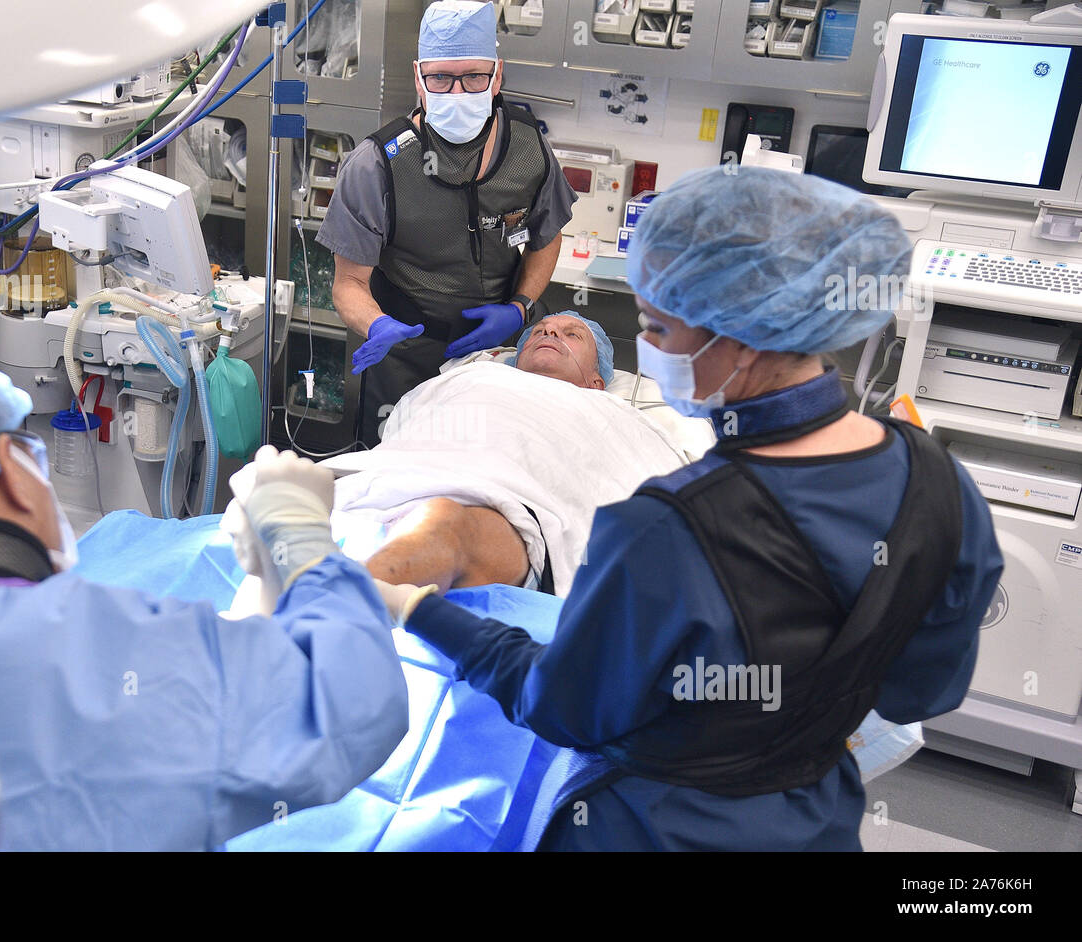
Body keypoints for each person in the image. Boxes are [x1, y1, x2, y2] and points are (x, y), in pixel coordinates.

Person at [374, 167, 1005, 851]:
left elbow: (563, 708)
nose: (649, 350)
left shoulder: (667, 526)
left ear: (735, 341)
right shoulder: (940, 483)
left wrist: (417, 610)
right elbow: (921, 693)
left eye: (658, 328)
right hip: (815, 824)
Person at [0, 337, 408, 851]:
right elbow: (346, 700)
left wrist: (255, 610)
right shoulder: (107, 652)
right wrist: (297, 531)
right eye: (27, 451)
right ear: (1, 471)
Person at [316, 0, 577, 445]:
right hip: (407, 357)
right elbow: (348, 283)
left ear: (497, 75)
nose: (457, 92)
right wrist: (377, 324)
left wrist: (519, 306)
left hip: (501, 352)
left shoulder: (529, 148)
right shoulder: (377, 165)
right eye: (440, 77)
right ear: (418, 77)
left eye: (474, 76)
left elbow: (545, 237)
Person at [360, 311, 618, 592]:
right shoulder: (473, 378)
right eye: (539, 330)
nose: (550, 333)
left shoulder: (607, 414)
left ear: (596, 382)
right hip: (406, 477)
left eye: (572, 334)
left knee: (444, 524)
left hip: (509, 509)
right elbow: (406, 428)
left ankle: (345, 603)